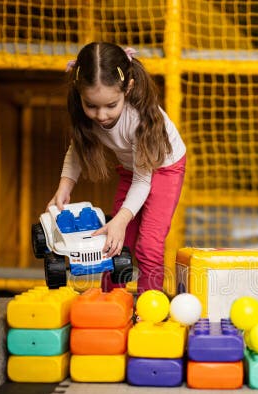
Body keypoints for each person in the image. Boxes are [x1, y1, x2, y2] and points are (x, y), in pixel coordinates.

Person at [50, 42, 187, 293]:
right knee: (113, 241)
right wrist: (65, 185)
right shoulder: (85, 114)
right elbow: (77, 149)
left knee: (149, 245)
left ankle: (150, 305)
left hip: (164, 169)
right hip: (132, 170)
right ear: (80, 94)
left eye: (110, 106)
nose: (101, 115)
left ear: (128, 87)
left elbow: (144, 181)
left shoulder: (137, 119)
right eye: (92, 105)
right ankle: (111, 298)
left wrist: (123, 218)